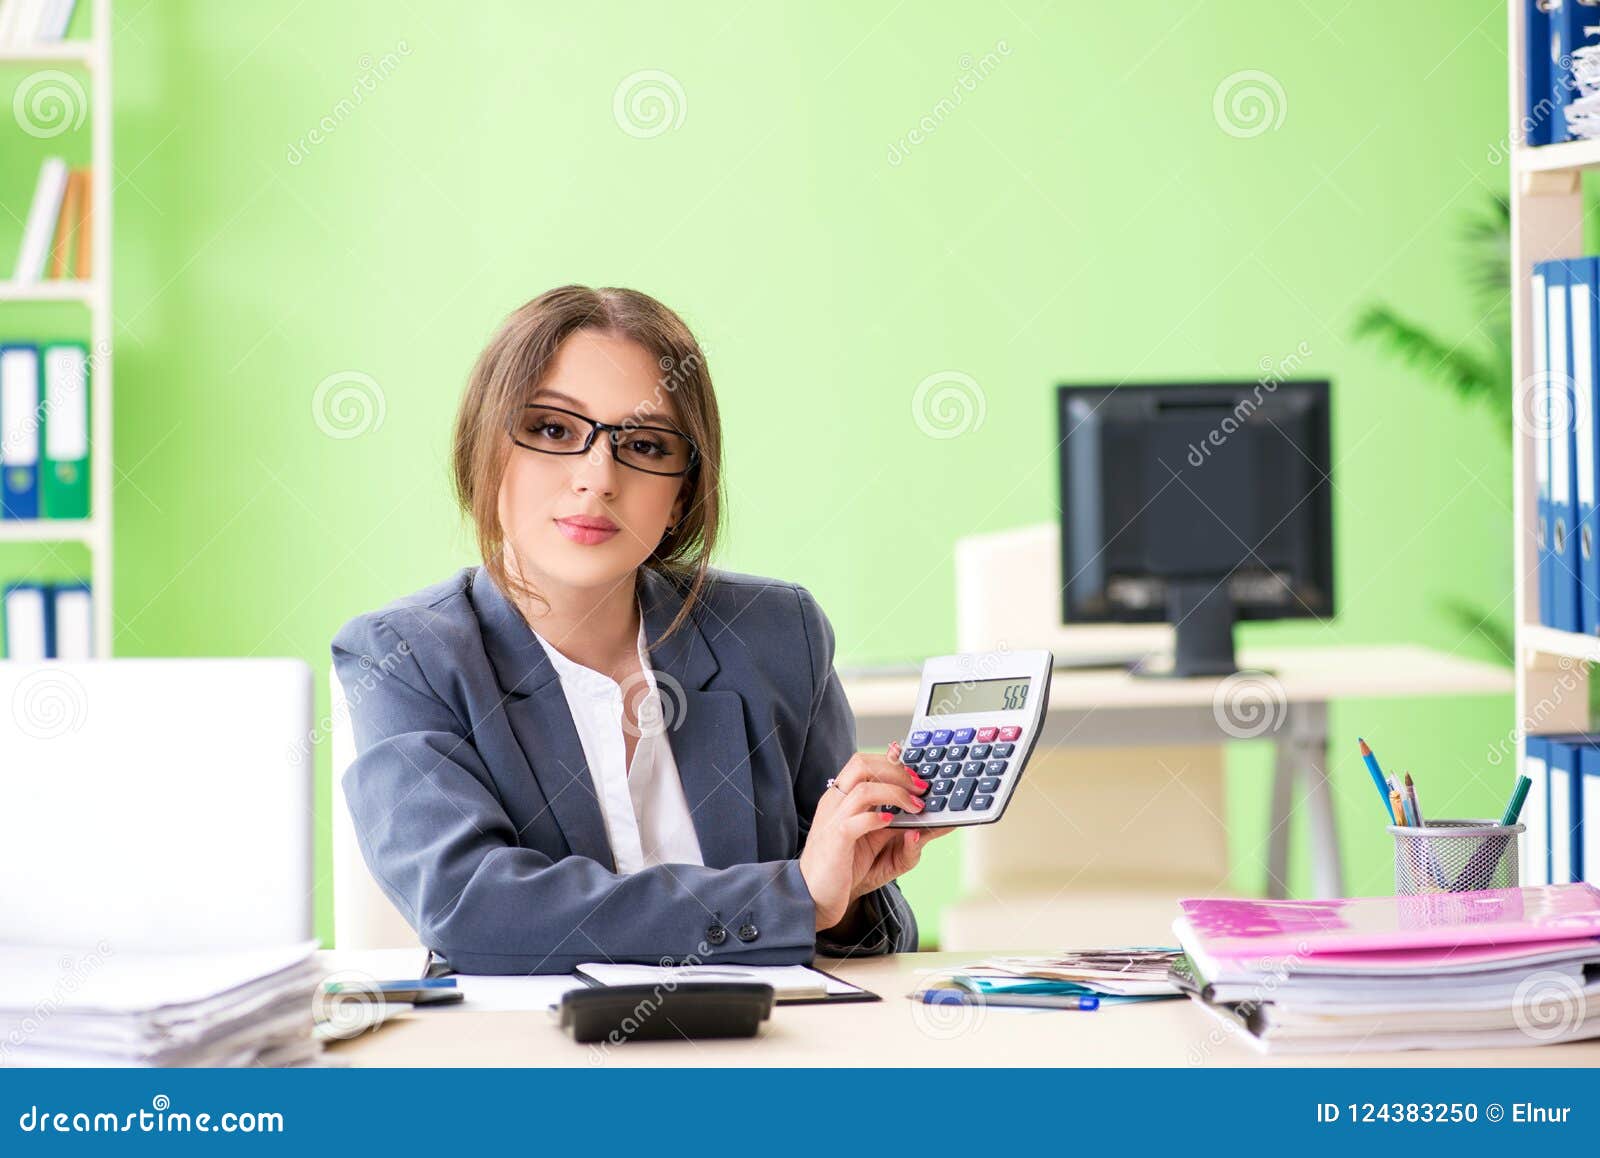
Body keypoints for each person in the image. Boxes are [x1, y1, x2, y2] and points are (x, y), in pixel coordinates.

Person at [332, 285, 951, 974]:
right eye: (553, 430)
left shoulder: (776, 634)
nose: (598, 479)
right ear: (487, 446)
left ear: (682, 488)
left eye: (646, 444)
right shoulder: (405, 657)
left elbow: (859, 928)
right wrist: (794, 895)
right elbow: (476, 914)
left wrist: (856, 887)